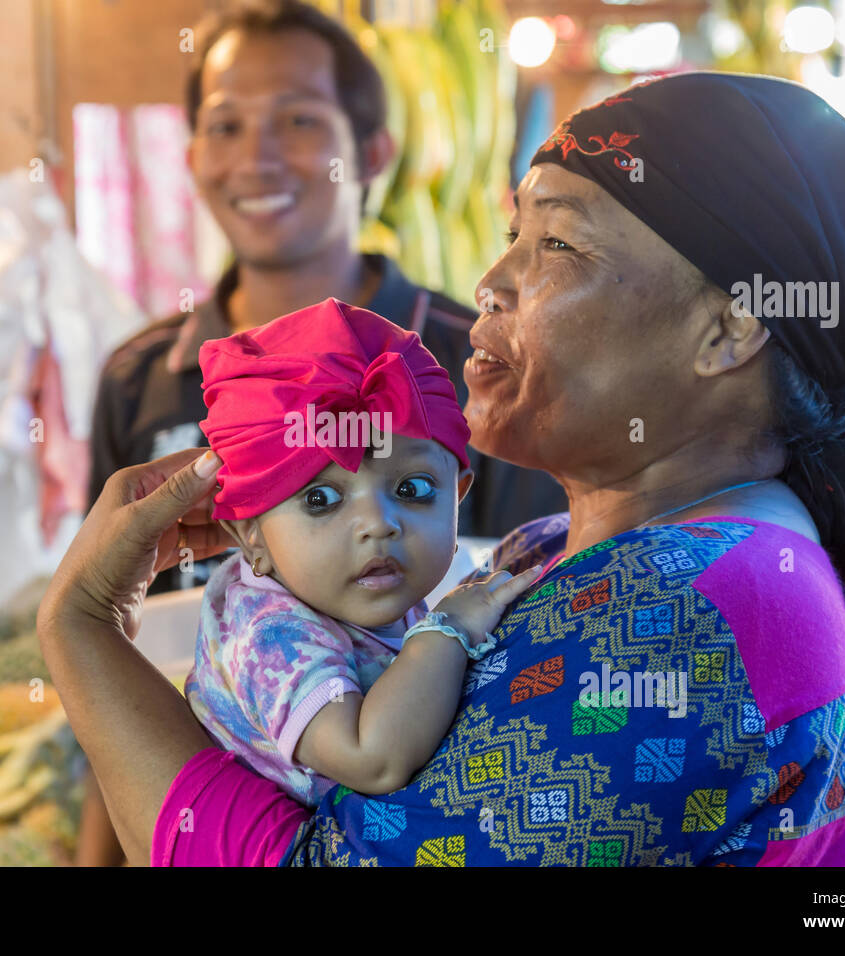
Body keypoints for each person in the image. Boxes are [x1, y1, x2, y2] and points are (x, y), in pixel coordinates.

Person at [39, 73, 845, 866]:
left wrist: (83, 633)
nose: (490, 283)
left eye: (558, 244)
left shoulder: (683, 614)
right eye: (512, 234)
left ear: (729, 326)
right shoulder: (577, 550)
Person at [85, 0, 566, 599]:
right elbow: (115, 599)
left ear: (371, 155)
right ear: (192, 159)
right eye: (225, 126)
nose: (256, 161)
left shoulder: (480, 359)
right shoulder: (138, 380)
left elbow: (535, 588)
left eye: (299, 121)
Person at [187, 297, 542, 807]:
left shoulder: (358, 588)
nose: (378, 525)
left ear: (457, 496)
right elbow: (371, 758)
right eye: (321, 499)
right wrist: (448, 631)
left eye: (414, 489)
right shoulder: (270, 633)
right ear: (251, 537)